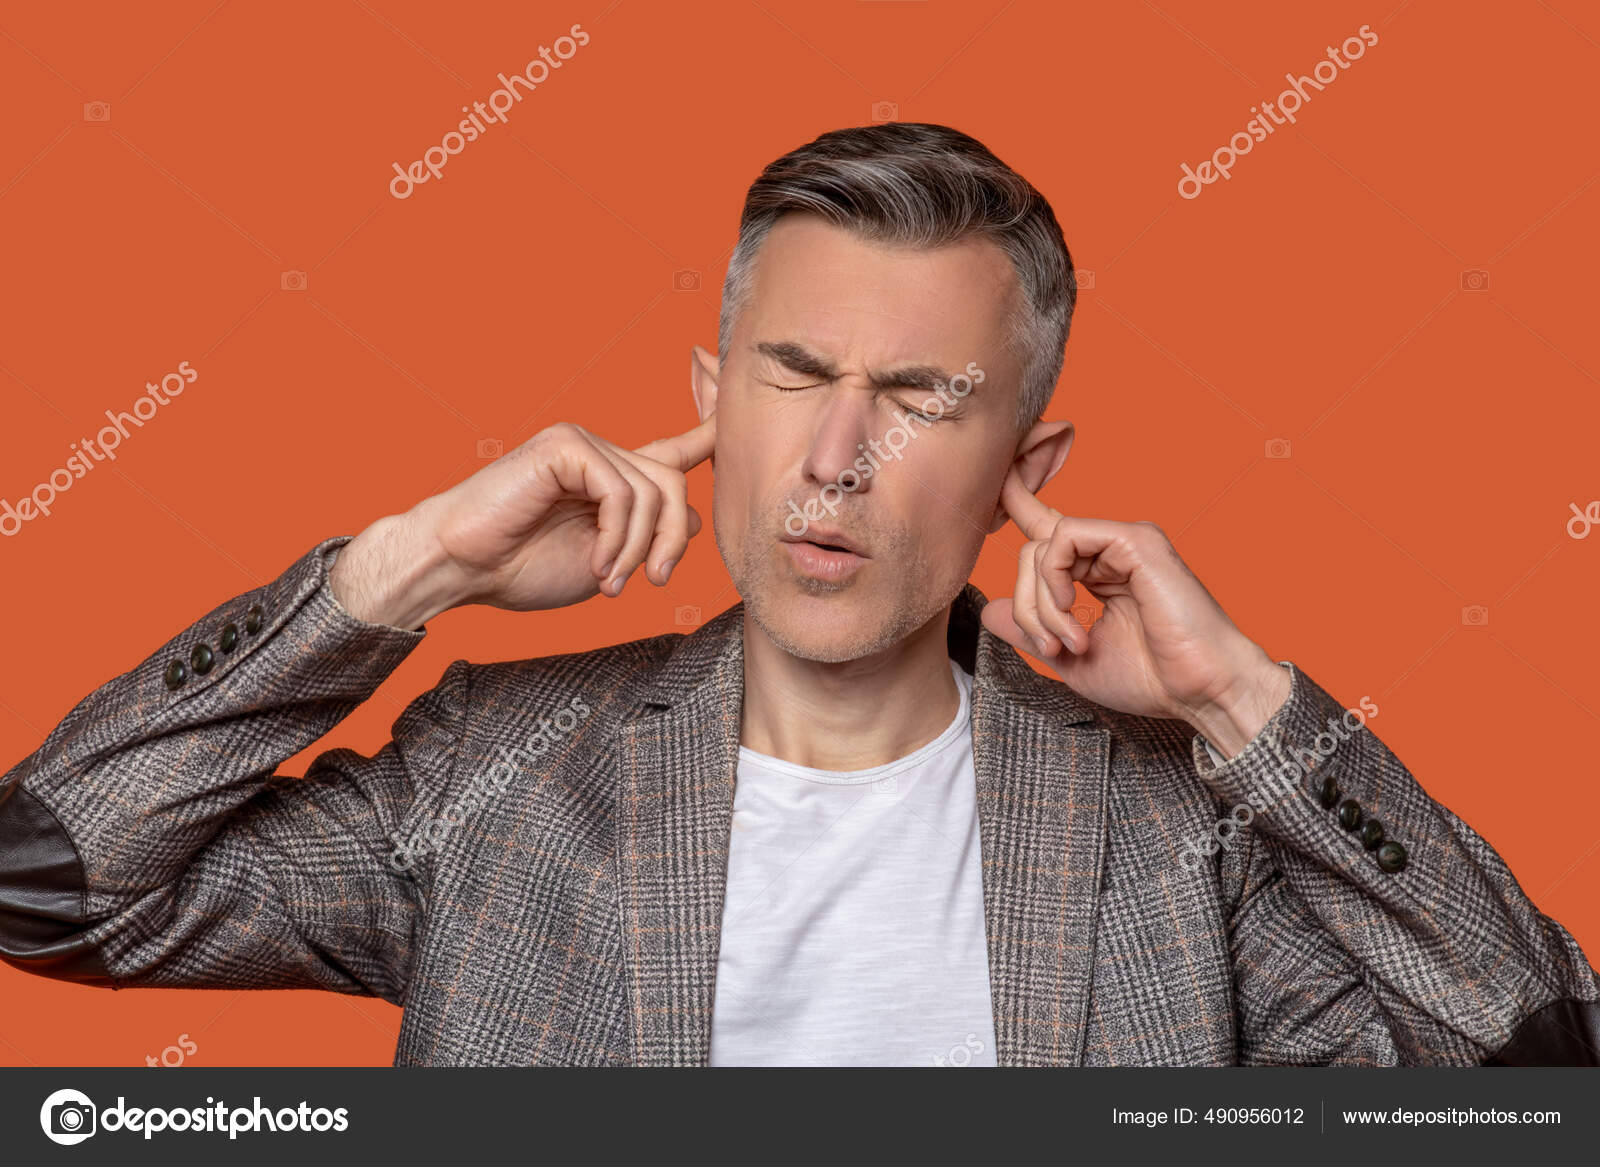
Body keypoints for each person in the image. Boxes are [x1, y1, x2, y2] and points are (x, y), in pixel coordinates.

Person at [2, 123, 1595, 1067]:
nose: (835, 456)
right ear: (712, 398)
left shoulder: (1182, 831)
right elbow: (48, 885)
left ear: (1020, 466)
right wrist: (407, 569)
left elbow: (1541, 1070)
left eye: (917, 397)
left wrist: (1239, 707)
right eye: (792, 375)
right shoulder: (498, 771)